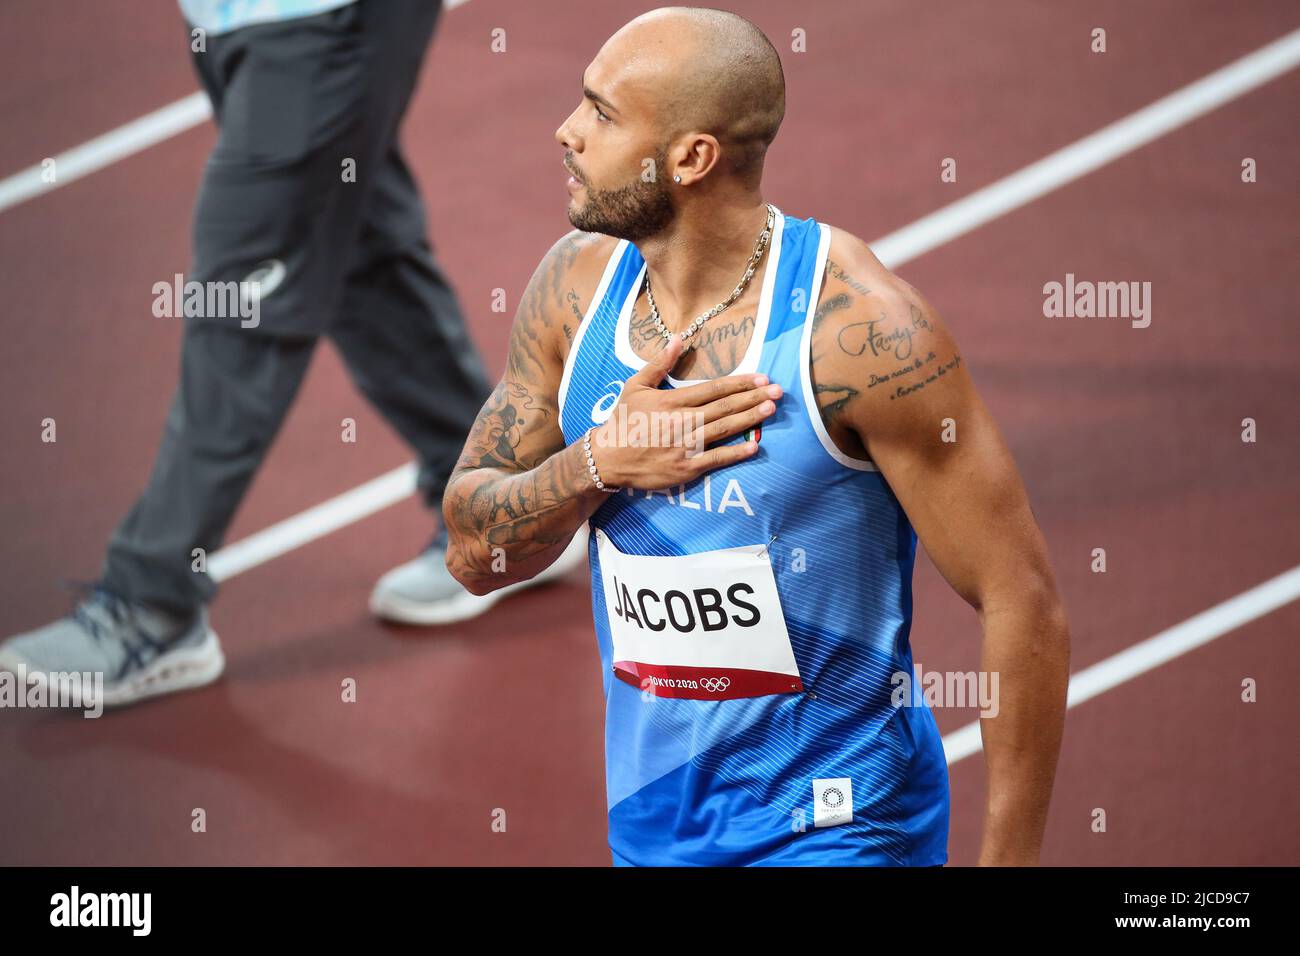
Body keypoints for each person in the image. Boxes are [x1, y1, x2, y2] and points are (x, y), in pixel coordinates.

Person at [442, 7, 1071, 866]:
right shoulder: (574, 291)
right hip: (656, 822)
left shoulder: (858, 333)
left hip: (841, 819)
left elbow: (1020, 597)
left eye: (602, 113)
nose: (566, 132)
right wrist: (597, 464)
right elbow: (474, 555)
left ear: (693, 158)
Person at [0, 0, 585, 709]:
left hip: (320, 21)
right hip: (237, 21)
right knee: (359, 252)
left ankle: (152, 610)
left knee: (242, 302)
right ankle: (502, 504)